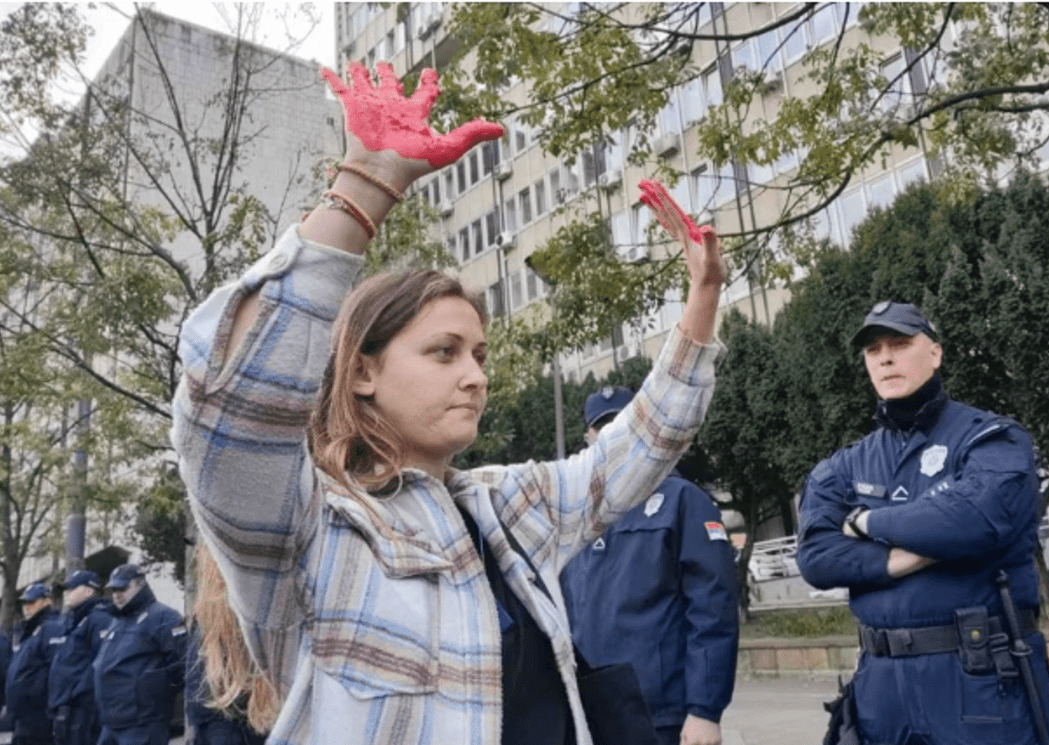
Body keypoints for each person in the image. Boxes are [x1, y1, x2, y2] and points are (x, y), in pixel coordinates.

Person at [170, 59, 726, 745]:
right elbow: (232, 410)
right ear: (364, 371)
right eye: (444, 352)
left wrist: (700, 305)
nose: (475, 376)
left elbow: (636, 451)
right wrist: (363, 188)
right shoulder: (312, 529)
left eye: (480, 356)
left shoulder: (502, 507)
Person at [796, 300, 1049, 745]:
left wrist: (863, 522)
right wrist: (905, 557)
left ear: (935, 353)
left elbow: (973, 521)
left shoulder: (992, 438)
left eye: (899, 343)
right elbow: (816, 558)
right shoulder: (845, 464)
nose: (886, 357)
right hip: (880, 688)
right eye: (874, 351)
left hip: (979, 678)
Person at [560, 385, 738, 745]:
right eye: (602, 427)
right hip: (589, 714)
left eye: (622, 422)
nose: (612, 434)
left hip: (659, 714)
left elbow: (712, 610)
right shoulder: (575, 511)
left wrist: (705, 710)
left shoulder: (681, 500)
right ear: (589, 438)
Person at [186, 544, 273, 745]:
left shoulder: (260, 605)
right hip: (215, 718)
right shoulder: (205, 613)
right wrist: (195, 723)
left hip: (247, 718)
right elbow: (195, 672)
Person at [92, 564, 187, 745]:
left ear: (141, 584)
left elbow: (181, 667)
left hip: (143, 725)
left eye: (123, 587)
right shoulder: (118, 621)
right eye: (114, 589)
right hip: (112, 724)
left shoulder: (163, 617)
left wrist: (153, 701)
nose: (117, 594)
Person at [48, 570, 113, 745]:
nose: (66, 592)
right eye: (65, 588)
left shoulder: (99, 618)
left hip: (84, 710)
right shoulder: (75, 619)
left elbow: (100, 664)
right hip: (68, 709)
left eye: (72, 588)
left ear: (89, 590)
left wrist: (76, 695)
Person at [6, 582, 63, 745]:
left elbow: (55, 671)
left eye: (31, 602)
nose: (26, 607)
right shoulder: (29, 631)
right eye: (24, 602)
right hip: (23, 717)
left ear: (47, 601)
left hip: (39, 717)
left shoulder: (52, 628)